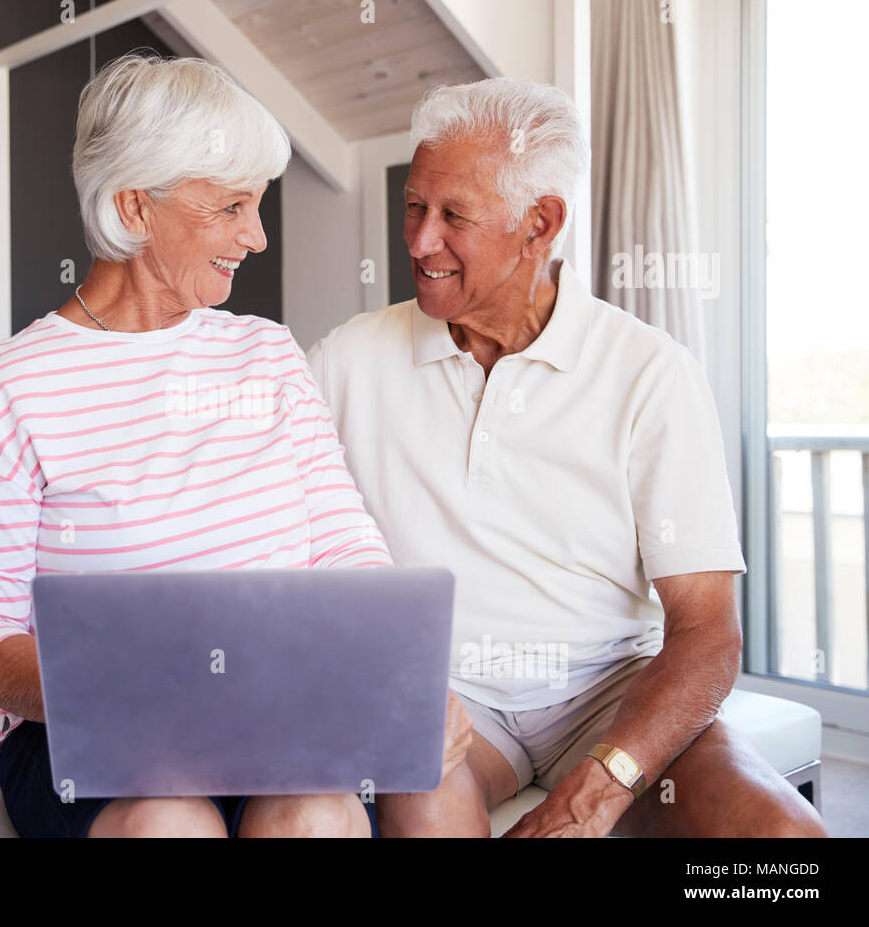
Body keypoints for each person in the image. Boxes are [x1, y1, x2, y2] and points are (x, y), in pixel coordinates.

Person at [0, 53, 471, 838]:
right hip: (95, 743)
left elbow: (341, 545)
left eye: (258, 206)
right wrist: (123, 686)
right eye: (230, 208)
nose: (255, 237)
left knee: (317, 817)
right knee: (167, 822)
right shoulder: (11, 386)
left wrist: (399, 671)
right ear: (133, 208)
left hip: (279, 721)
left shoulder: (267, 352)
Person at [307, 77, 826, 837]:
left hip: (613, 691)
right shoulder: (347, 359)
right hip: (448, 694)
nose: (420, 241)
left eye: (454, 216)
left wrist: (594, 793)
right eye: (415, 206)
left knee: (784, 844)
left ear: (540, 223)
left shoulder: (650, 371)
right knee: (424, 802)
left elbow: (708, 632)